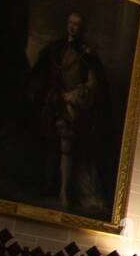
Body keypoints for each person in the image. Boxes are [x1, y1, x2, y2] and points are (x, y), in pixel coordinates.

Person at [29, 12, 108, 212]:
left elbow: (94, 83)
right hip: (53, 102)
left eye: (77, 25)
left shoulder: (87, 54)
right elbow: (42, 73)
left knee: (67, 147)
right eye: (71, 24)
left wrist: (74, 96)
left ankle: (64, 192)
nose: (73, 28)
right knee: (47, 142)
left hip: (72, 105)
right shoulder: (56, 48)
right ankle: (46, 185)